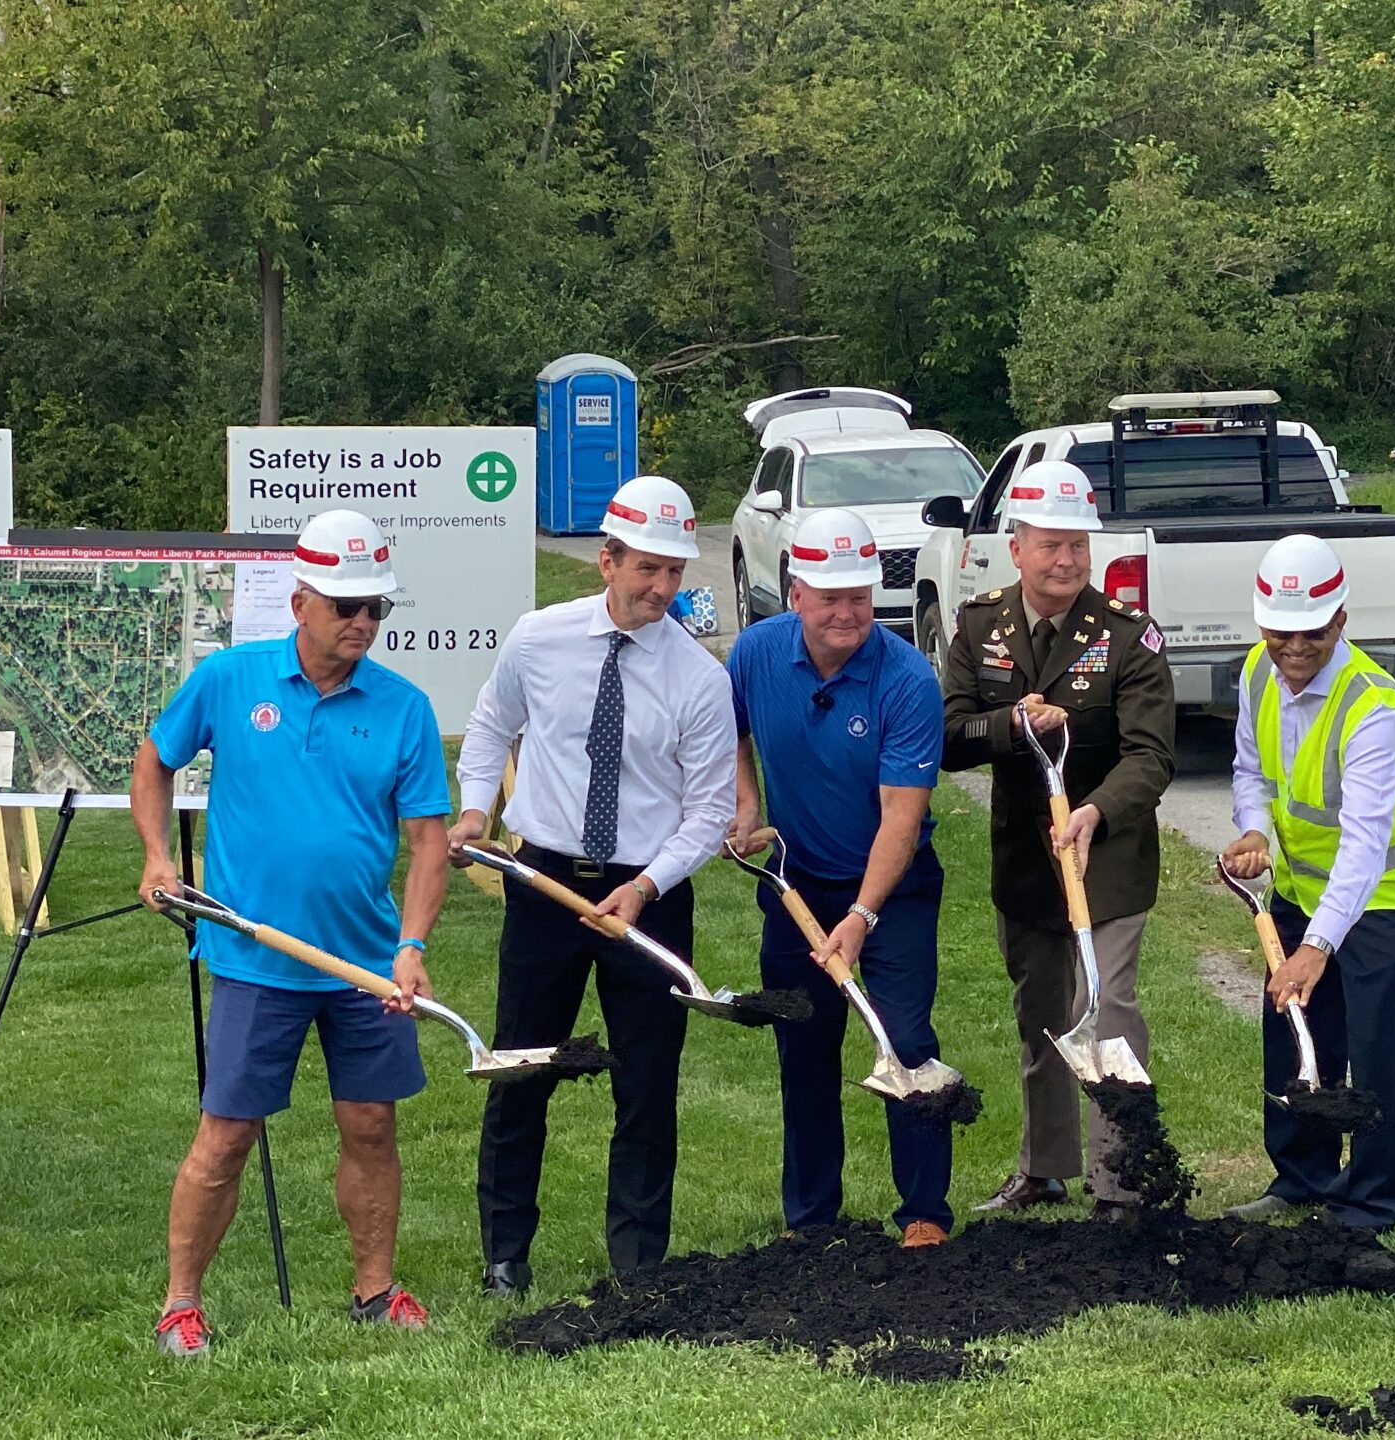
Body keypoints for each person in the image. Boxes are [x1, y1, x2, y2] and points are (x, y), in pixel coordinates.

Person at [133, 509, 449, 1355]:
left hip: (363, 966)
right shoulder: (233, 681)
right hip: (252, 956)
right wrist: (160, 857)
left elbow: (427, 846)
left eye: (376, 608)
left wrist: (410, 946)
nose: (362, 623)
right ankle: (180, 1304)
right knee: (227, 1134)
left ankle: (375, 1291)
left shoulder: (404, 709)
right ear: (301, 601)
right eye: (345, 605)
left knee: (372, 1127)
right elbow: (155, 759)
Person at [453, 475, 735, 1294]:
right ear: (605, 561)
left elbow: (711, 807)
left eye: (675, 572)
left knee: (647, 1083)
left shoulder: (697, 678)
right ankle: (505, 1256)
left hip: (648, 894)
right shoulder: (538, 639)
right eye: (647, 568)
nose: (662, 588)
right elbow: (488, 730)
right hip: (543, 883)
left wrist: (646, 886)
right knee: (520, 1066)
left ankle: (638, 1260)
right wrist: (476, 812)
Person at [938, 460, 1176, 1221]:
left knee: (1106, 1007)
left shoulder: (1128, 637)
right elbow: (949, 736)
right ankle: (1043, 1169)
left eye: (1078, 546)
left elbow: (1152, 756)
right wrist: (1012, 725)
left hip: (1106, 854)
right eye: (1050, 546)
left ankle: (1121, 1182)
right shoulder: (981, 626)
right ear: (1018, 549)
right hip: (1026, 861)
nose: (1067, 561)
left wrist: (1095, 812)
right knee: (1040, 1012)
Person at [725, 509, 954, 1248]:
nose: (847, 612)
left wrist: (859, 918)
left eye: (858, 594)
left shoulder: (908, 679)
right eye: (829, 597)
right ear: (796, 595)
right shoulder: (756, 654)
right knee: (804, 1043)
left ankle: (924, 1214)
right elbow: (726, 730)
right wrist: (746, 799)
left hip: (894, 889)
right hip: (795, 885)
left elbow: (900, 817)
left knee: (905, 1037)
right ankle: (812, 1219)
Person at [1219, 533, 1395, 1233]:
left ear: (1340, 621)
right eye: (1279, 635)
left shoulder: (1372, 707)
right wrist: (1252, 828)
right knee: (1292, 1029)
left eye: (1311, 635)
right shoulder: (1257, 671)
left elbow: (1366, 846)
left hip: (1381, 899)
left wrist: (1317, 947)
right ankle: (1301, 1177)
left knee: (1370, 1051)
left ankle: (1369, 1201)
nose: (1293, 650)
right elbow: (1250, 770)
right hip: (1301, 890)